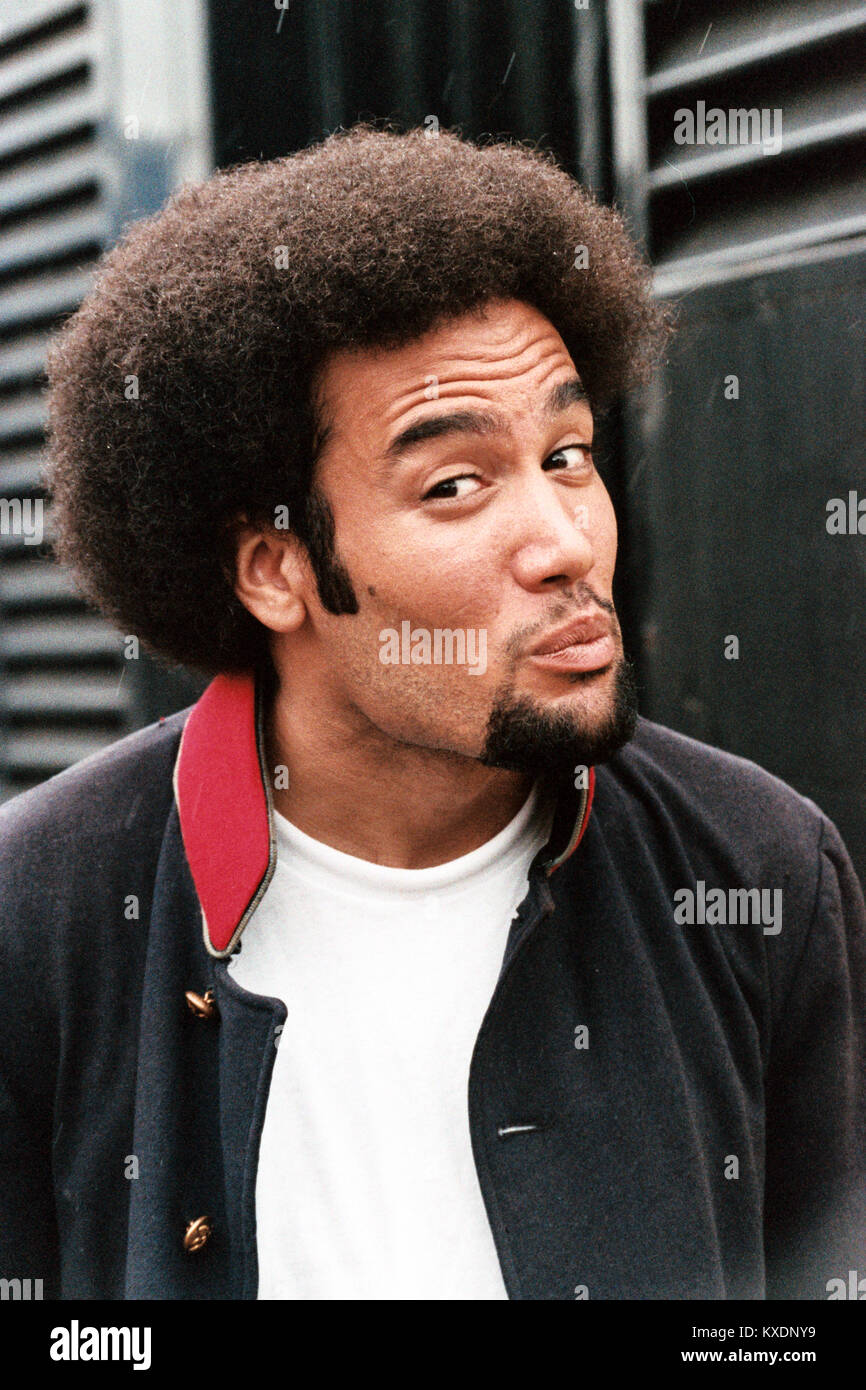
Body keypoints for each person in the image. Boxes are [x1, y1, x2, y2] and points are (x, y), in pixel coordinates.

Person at [1, 125, 863, 1301]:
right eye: (453, 485)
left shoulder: (758, 871)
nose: (566, 544)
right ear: (275, 567)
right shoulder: (42, 914)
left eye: (568, 454)